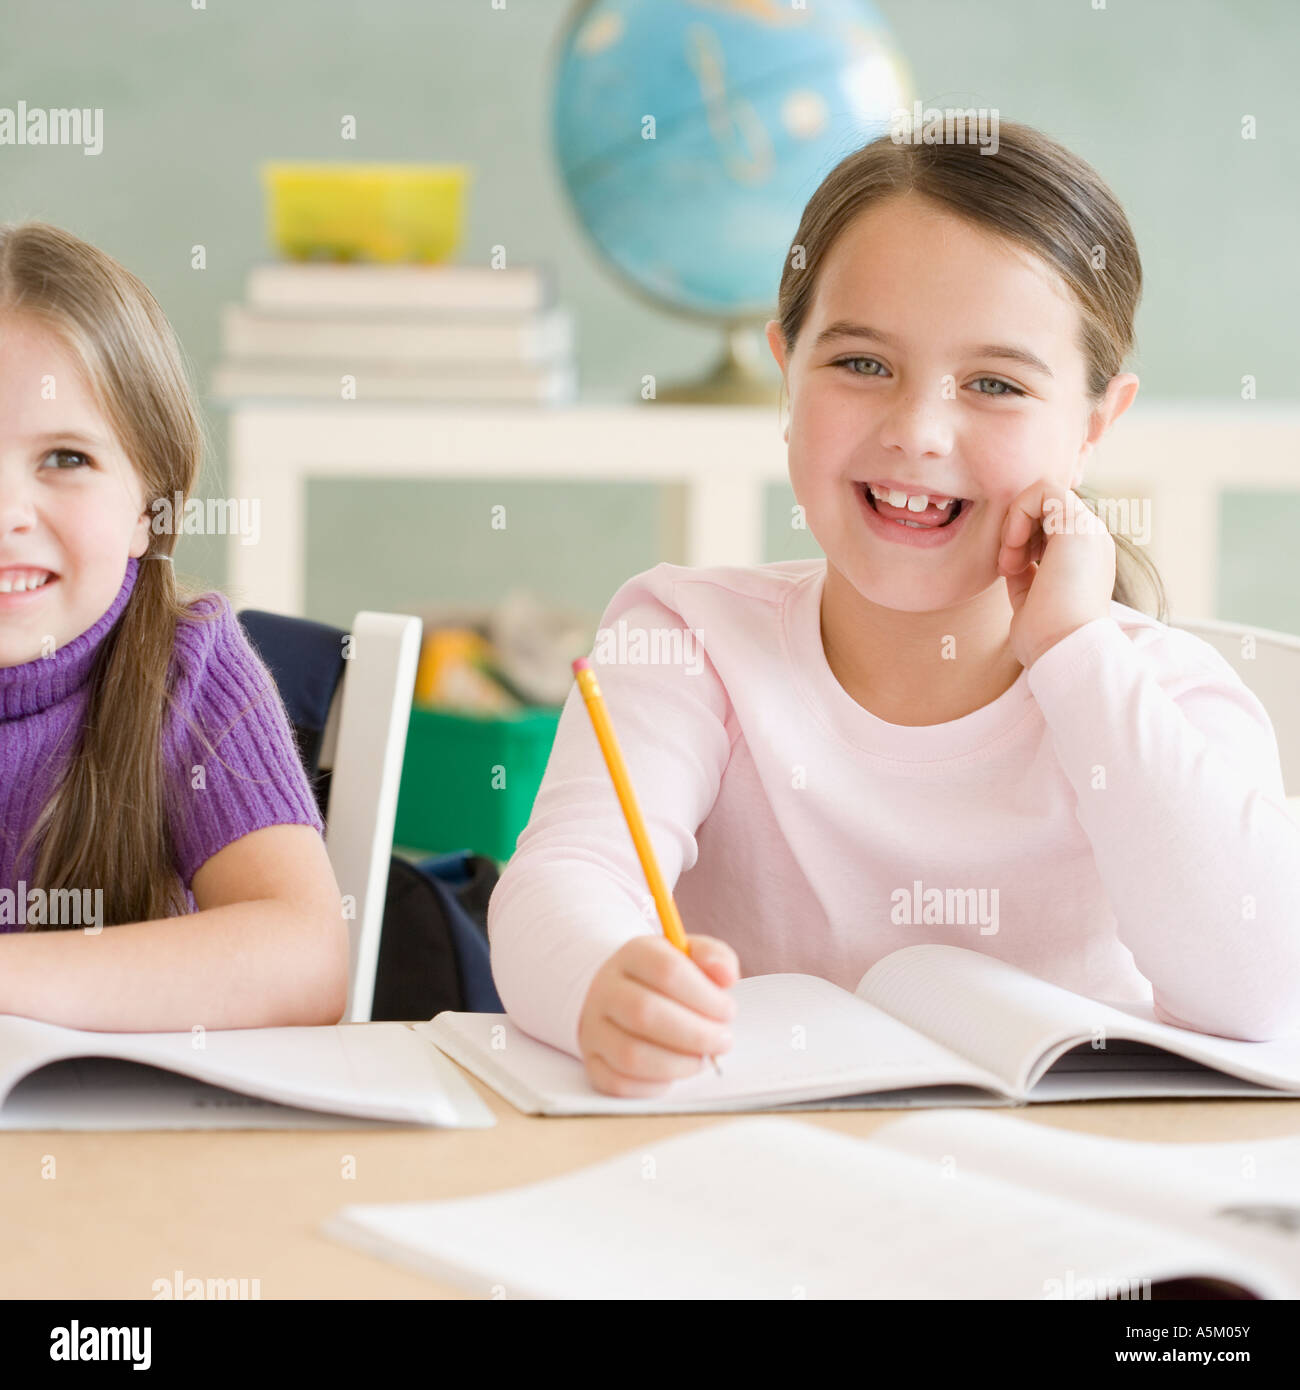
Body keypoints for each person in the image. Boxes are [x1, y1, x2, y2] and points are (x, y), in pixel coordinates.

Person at [488, 117, 1300, 1097]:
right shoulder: (685, 640)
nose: (916, 431)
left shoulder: (1164, 697)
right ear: (786, 369)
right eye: (862, 364)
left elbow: (1253, 991)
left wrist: (1075, 652)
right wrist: (601, 984)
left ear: (1093, 424)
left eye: (994, 384)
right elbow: (556, 889)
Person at [0, 222, 347, 1031]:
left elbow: (305, 958)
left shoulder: (189, 671)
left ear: (149, 510)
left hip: (138, 1149)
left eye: (66, 458)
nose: (8, 514)